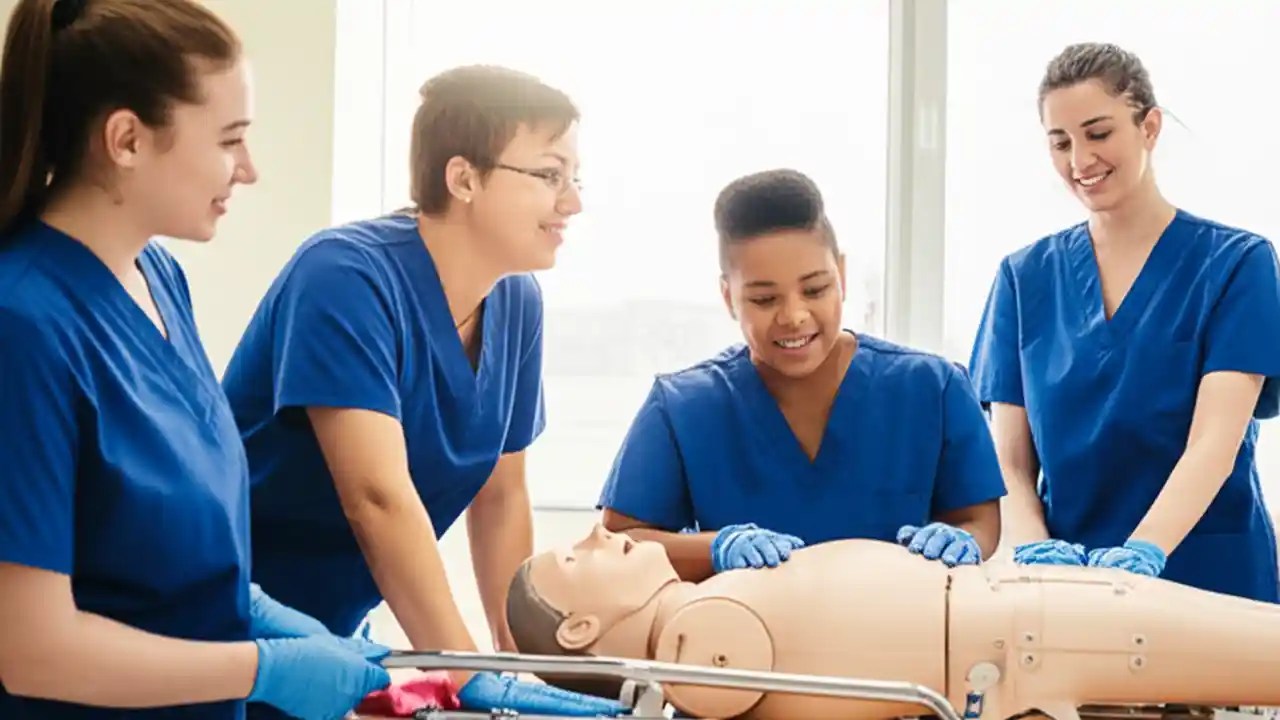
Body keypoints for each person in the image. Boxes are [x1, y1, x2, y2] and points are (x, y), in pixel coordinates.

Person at [0, 1, 391, 719]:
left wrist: (255, 610)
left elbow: (157, 543)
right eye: (230, 139)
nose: (250, 169)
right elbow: (31, 649)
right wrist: (260, 669)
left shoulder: (158, 278)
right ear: (126, 139)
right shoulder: (22, 325)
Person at [219, 65, 622, 718]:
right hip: (224, 624)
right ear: (463, 178)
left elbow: (500, 496)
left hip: (335, 634)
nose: (572, 202)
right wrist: (462, 669)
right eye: (550, 175)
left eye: (575, 177)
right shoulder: (344, 276)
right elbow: (376, 498)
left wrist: (514, 666)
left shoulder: (516, 301)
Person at [968, 42, 1280, 601]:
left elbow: (1214, 442)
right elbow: (1009, 463)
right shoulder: (1024, 278)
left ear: (1149, 127)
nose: (1080, 160)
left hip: (1209, 580)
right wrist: (1035, 552)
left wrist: (1144, 552)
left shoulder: (1237, 265)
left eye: (1098, 133)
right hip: (1066, 588)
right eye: (1060, 142)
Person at [597, 169, 1007, 580]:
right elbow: (619, 542)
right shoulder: (683, 407)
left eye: (815, 290)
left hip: (902, 620)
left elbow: (978, 520)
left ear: (841, 275)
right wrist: (716, 549)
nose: (794, 316)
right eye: (764, 299)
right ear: (728, 297)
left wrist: (963, 540)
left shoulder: (933, 388)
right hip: (740, 622)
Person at [506, 523, 1280, 720]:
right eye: (576, 556)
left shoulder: (706, 610)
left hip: (1011, 608)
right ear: (580, 631)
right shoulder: (701, 646)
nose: (598, 535)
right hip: (1020, 637)